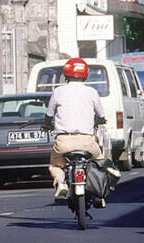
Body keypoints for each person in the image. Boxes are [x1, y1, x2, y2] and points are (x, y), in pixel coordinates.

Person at [45, 57, 105, 202]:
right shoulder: (91, 92)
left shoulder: (58, 92)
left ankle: (61, 182)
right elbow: (101, 115)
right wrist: (99, 121)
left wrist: (47, 124)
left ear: (65, 74)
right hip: (87, 142)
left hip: (63, 142)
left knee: (54, 165)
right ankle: (98, 192)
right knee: (99, 161)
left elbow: (49, 115)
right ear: (86, 74)